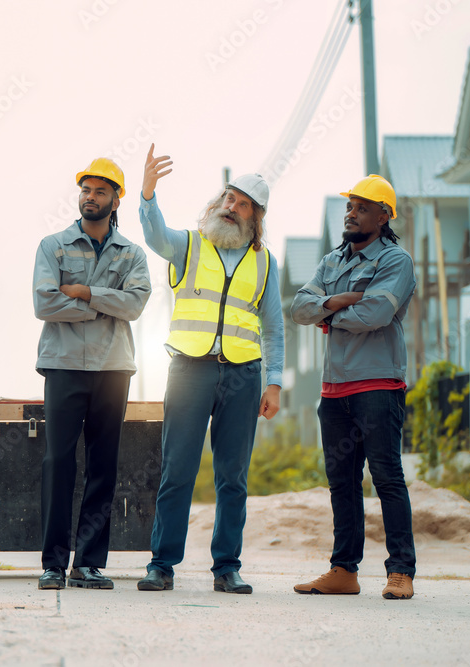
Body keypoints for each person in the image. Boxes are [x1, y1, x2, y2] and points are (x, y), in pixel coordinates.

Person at [136, 145, 283, 595]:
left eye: (242, 204)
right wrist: (147, 194)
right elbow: (155, 235)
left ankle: (226, 568)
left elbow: (274, 326)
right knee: (177, 469)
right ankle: (162, 565)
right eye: (228, 198)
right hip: (189, 370)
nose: (231, 207)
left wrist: (274, 382)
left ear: (255, 217)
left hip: (243, 375)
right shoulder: (189, 244)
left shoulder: (264, 262)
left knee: (232, 476)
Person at [290, 174, 417, 600]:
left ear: (383, 217)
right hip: (334, 391)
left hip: (378, 386)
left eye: (362, 207)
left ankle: (401, 571)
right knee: (341, 482)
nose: (351, 213)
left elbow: (377, 313)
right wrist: (337, 302)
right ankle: (344, 570)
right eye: (350, 206)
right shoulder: (332, 261)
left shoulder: (396, 261)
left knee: (386, 477)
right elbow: (298, 306)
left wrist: (326, 314)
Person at [33, 157, 152, 590]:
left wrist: (83, 293)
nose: (90, 197)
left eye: (100, 191)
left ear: (115, 199)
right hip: (63, 365)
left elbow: (135, 306)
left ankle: (88, 563)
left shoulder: (133, 254)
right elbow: (44, 304)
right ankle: (52, 563)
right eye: (86, 190)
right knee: (58, 462)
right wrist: (106, 301)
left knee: (103, 465)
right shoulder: (53, 246)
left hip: (113, 368)